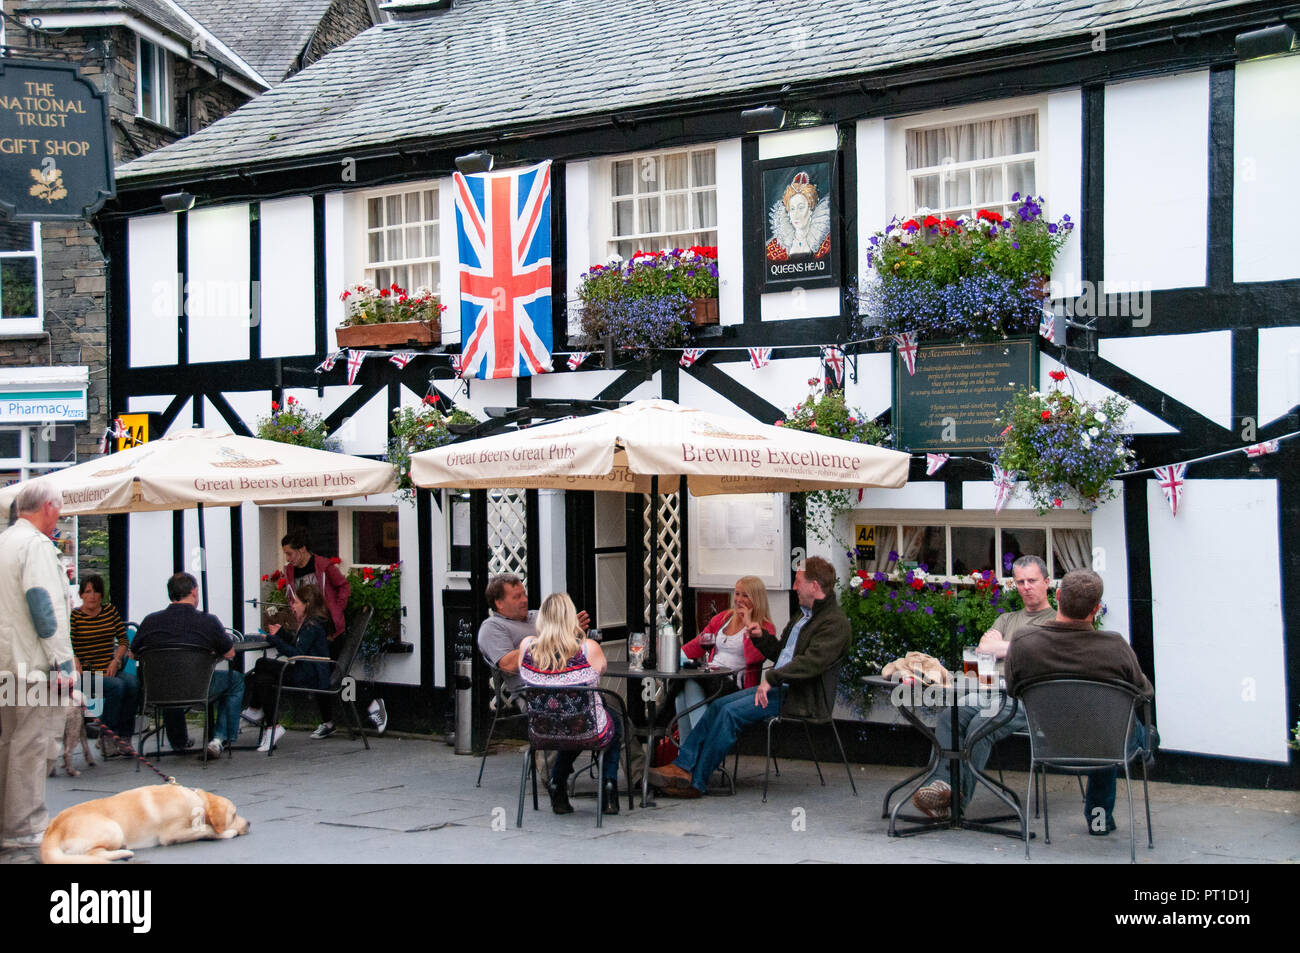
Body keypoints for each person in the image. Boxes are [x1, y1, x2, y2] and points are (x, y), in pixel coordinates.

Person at [648, 556, 849, 798]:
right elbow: (780, 653)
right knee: (719, 705)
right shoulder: (801, 617)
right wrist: (759, 636)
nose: (794, 587)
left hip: (800, 695)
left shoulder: (834, 623)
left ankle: (696, 781)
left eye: (798, 582)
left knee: (729, 713)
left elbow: (810, 664)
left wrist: (772, 678)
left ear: (814, 586)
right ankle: (682, 767)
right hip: (778, 686)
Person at [1006, 569, 1154, 835]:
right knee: (1116, 727)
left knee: (1100, 726)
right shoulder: (1115, 646)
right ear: (1096, 609)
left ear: (1058, 595)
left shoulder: (1024, 642)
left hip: (1049, 742)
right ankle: (1099, 819)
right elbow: (1145, 692)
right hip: (1108, 743)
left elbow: (1013, 689)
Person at [910, 555, 1057, 818]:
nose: (1026, 587)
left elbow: (1040, 656)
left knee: (980, 725)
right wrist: (1018, 649)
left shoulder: (1055, 622)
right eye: (1020, 581)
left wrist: (1003, 648)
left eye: (1032, 581)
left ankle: (955, 803)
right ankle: (941, 785)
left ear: (1047, 583)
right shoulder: (1007, 619)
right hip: (989, 691)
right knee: (950, 716)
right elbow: (983, 650)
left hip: (1027, 698)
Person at [0, 481, 76, 850]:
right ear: (48, 506)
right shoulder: (36, 546)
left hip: (6, 664)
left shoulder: (4, 542)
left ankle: (7, 823)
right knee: (33, 745)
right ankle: (24, 826)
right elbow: (44, 607)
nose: (58, 518)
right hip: (33, 665)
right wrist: (63, 663)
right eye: (58, 510)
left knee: (8, 744)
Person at [518, 593, 622, 816]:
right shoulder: (588, 648)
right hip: (586, 728)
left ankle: (557, 782)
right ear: (570, 619)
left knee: (571, 724)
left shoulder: (526, 646)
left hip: (541, 731)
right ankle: (609, 785)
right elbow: (601, 670)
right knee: (612, 722)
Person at [133, 572, 245, 759]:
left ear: (171, 594)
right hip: (197, 688)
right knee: (236, 681)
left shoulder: (150, 621)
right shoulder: (207, 621)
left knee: (169, 677)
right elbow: (230, 653)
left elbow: (132, 653)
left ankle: (179, 742)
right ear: (194, 592)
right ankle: (218, 739)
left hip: (158, 690)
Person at [280, 530, 375, 737]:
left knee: (335, 675)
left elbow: (344, 586)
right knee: (319, 674)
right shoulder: (289, 571)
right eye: (285, 554)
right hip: (310, 628)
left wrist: (337, 610)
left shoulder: (323, 566)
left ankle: (372, 706)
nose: (287, 559)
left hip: (329, 629)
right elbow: (292, 595)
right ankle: (328, 721)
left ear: (302, 549)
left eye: (289, 553)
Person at [673, 576, 774, 741]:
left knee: (687, 683)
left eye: (745, 596)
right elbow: (697, 644)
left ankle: (694, 749)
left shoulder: (763, 627)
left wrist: (748, 623)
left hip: (735, 686)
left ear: (756, 599)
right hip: (711, 677)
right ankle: (689, 751)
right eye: (737, 594)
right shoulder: (723, 619)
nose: (739, 600)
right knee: (684, 685)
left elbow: (754, 658)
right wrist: (672, 656)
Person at [241, 584, 332, 753]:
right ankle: (271, 727)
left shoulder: (312, 625)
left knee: (262, 664)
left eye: (296, 602)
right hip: (307, 670)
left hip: (309, 675)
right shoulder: (311, 623)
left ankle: (256, 711)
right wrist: (281, 634)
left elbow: (297, 653)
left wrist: (273, 639)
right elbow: (300, 644)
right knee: (264, 679)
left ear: (307, 604)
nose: (293, 606)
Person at [477, 573, 589, 693]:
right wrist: (556, 638)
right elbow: (508, 665)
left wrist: (571, 631)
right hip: (536, 693)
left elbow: (563, 644)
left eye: (524, 594)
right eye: (517, 597)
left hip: (571, 680)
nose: (525, 600)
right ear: (499, 603)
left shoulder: (539, 616)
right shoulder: (492, 627)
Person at [70, 574, 137, 755]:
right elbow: (69, 645)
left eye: (96, 592)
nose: (92, 596)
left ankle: (125, 736)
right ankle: (107, 734)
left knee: (131, 684)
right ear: (81, 594)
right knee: (116, 686)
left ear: (102, 594)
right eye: (88, 592)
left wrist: (116, 660)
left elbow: (123, 641)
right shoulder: (75, 617)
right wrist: (75, 661)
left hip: (108, 667)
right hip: (85, 673)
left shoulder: (110, 612)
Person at [765, 171, 831, 262]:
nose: (795, 214)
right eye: (792, 209)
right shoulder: (776, 247)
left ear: (811, 210)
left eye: (801, 208)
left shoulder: (826, 242)